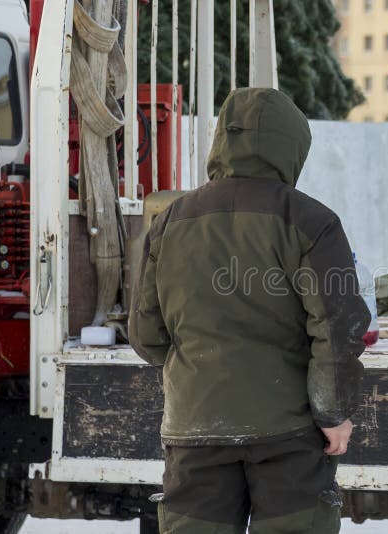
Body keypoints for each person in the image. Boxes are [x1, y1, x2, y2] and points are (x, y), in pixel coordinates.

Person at [129, 88, 370, 534]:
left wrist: (204, 370)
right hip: (287, 435)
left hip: (194, 430)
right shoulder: (312, 222)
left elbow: (146, 338)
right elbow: (336, 329)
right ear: (291, 148)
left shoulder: (168, 222)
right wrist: (333, 414)